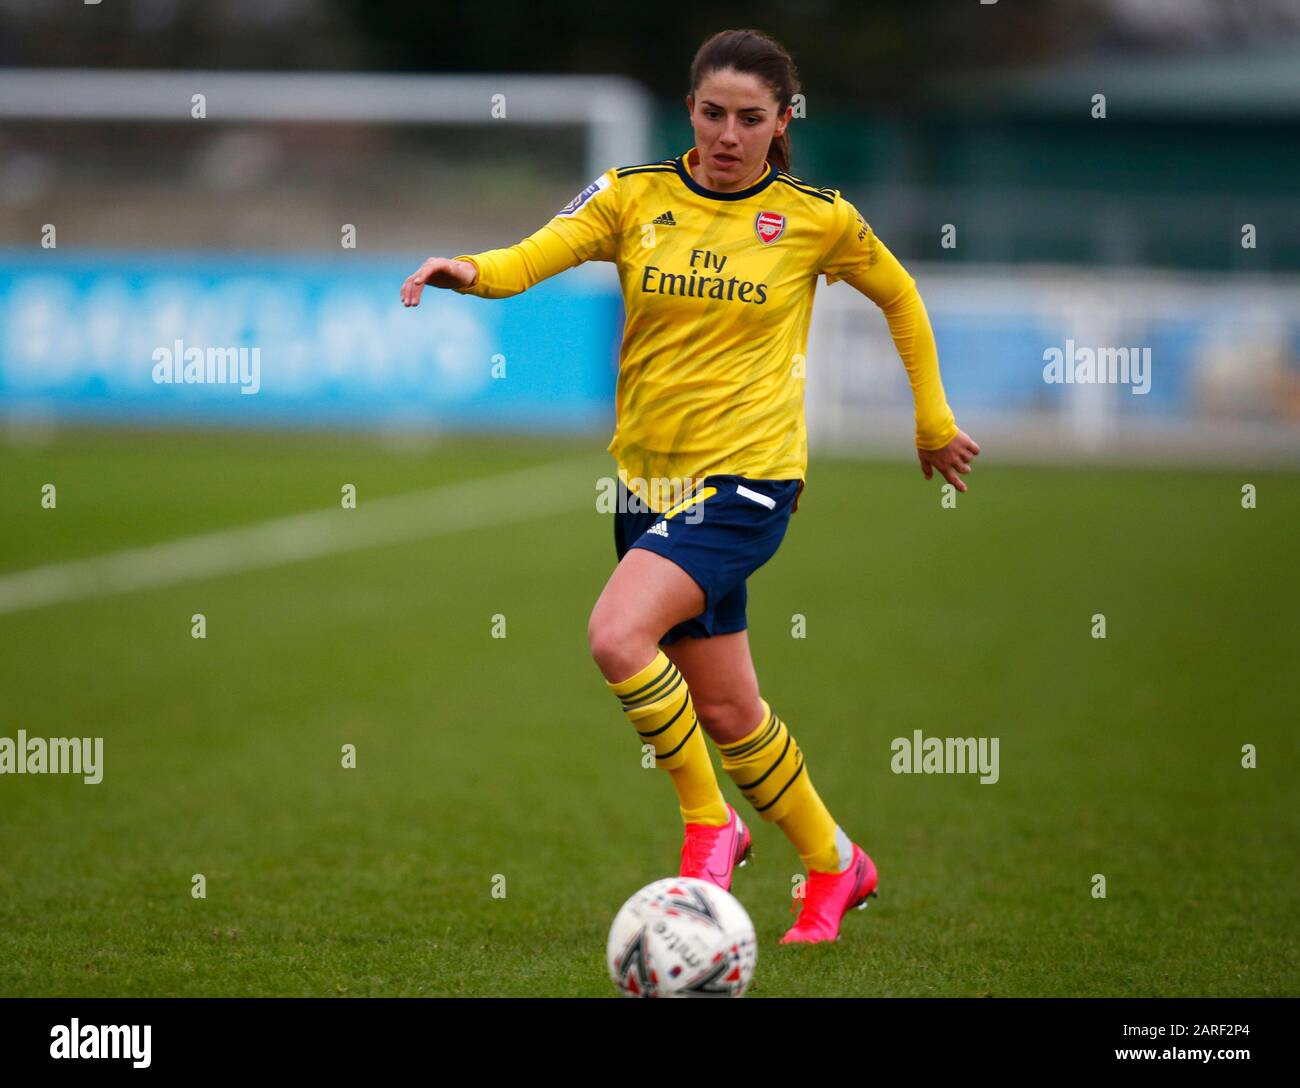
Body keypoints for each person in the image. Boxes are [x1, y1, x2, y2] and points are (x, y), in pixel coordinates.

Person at [401, 28, 980, 944]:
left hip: (750, 481)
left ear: (782, 122)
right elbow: (532, 255)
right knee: (726, 707)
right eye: (713, 113)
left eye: (751, 118)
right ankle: (836, 864)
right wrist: (466, 272)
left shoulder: (815, 217)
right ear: (691, 112)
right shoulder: (634, 196)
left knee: (616, 634)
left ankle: (712, 827)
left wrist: (933, 419)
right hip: (646, 488)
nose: (728, 133)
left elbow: (901, 295)